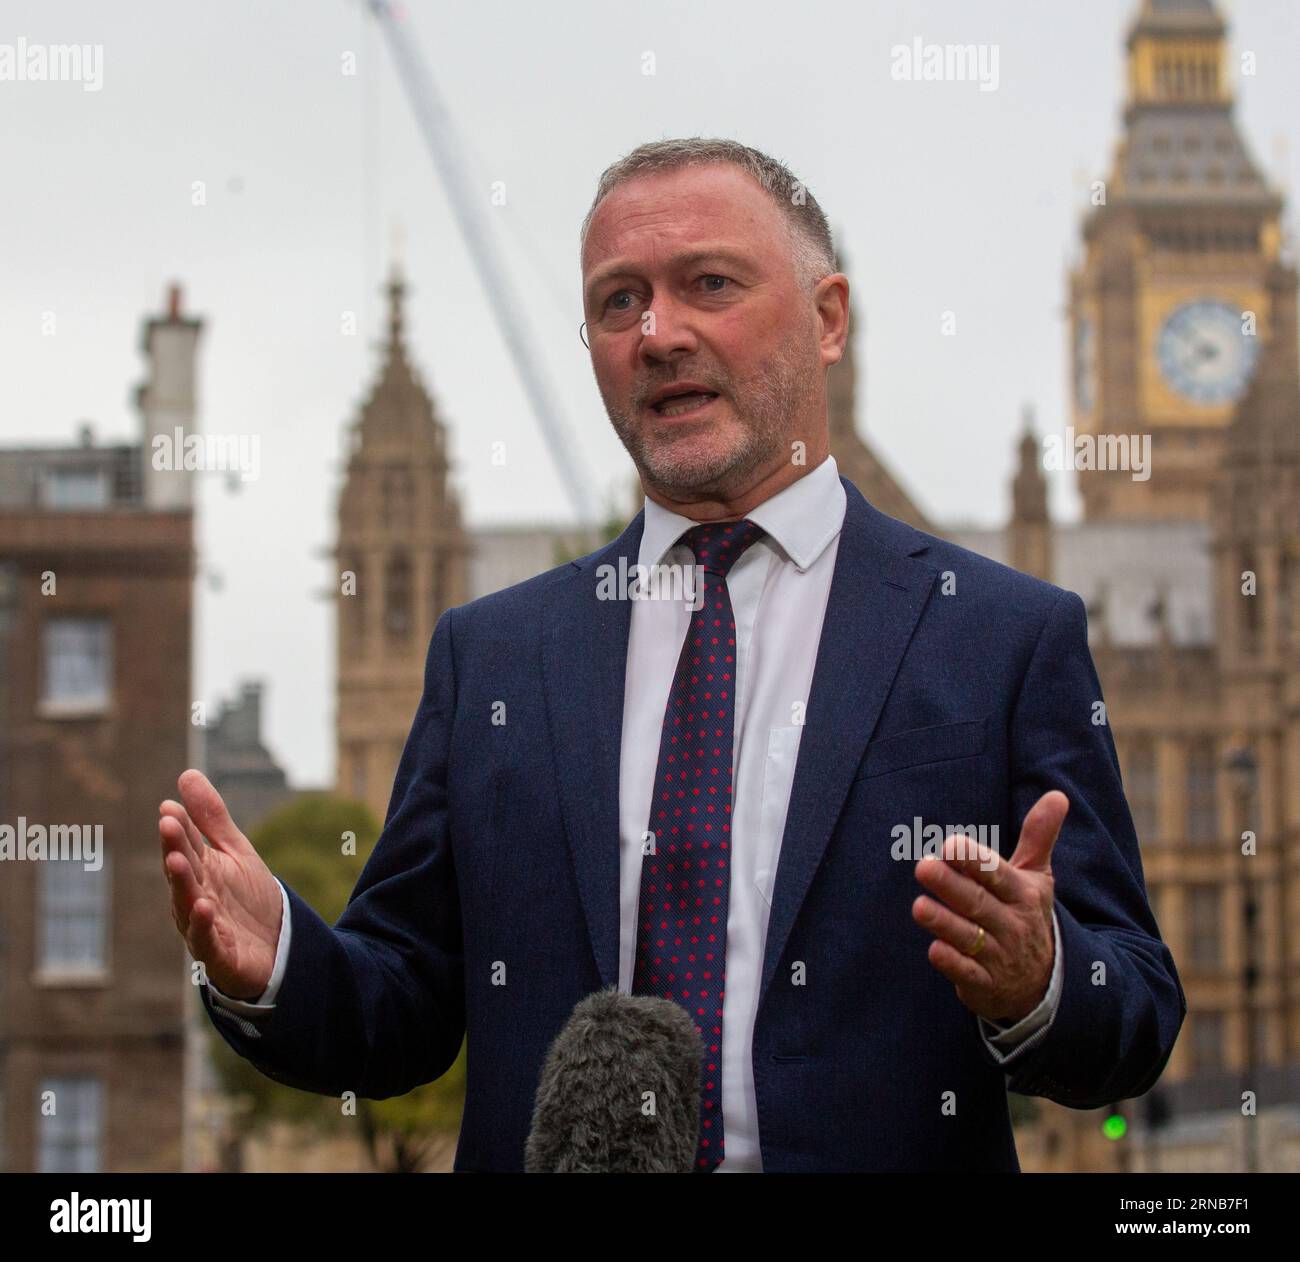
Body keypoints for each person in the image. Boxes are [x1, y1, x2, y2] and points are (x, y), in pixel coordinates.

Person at [160, 137, 1185, 1172]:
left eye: (709, 283)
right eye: (618, 301)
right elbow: (404, 1007)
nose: (657, 332)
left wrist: (1043, 976)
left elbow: (1136, 1007)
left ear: (828, 319)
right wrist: (278, 960)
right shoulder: (493, 658)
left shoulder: (999, 634)